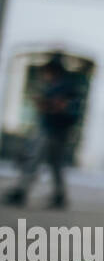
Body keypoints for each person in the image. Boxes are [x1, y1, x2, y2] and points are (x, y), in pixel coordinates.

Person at [4, 53, 80, 209]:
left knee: (34, 160)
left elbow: (61, 107)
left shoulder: (63, 87)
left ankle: (21, 191)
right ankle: (59, 196)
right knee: (55, 165)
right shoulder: (59, 86)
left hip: (52, 130)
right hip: (56, 130)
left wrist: (44, 104)